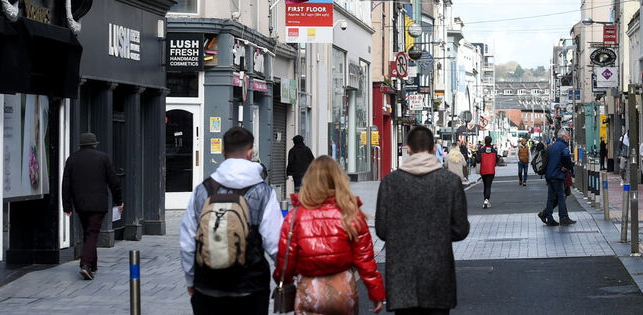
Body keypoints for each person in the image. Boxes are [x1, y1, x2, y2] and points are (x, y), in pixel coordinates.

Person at [180, 126, 281, 314]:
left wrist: (191, 279)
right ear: (250, 153)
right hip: (251, 286)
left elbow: (187, 242)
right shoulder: (263, 193)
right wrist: (284, 276)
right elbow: (275, 243)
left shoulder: (203, 190)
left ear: (223, 151)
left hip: (207, 285)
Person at [376, 126, 470, 314]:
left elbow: (382, 229)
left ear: (408, 149)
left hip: (402, 273)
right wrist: (439, 233)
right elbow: (460, 229)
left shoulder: (390, 182)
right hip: (438, 271)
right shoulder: (450, 181)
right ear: (434, 148)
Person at [275, 156, 385, 314]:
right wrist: (376, 292)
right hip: (342, 290)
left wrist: (283, 281)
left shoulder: (295, 216)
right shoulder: (350, 214)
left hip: (309, 290)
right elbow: (365, 259)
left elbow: (286, 259)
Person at [62, 132, 123, 280]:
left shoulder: (72, 159)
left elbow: (66, 184)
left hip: (80, 204)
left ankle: (93, 265)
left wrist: (67, 206)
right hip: (98, 203)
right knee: (92, 233)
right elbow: (113, 181)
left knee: (88, 233)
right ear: (95, 144)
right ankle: (85, 264)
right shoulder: (103, 158)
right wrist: (118, 201)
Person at [538, 129, 576, 226]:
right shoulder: (563, 147)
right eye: (568, 135)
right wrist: (568, 168)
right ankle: (563, 217)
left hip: (549, 175)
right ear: (563, 136)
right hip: (558, 175)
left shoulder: (552, 146)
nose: (568, 137)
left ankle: (549, 218)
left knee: (551, 197)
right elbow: (567, 159)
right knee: (561, 196)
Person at [475, 136, 498, 208]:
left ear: (485, 141)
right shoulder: (494, 150)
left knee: (485, 185)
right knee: (488, 185)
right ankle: (486, 199)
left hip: (484, 170)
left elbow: (478, 160)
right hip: (491, 170)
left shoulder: (481, 150)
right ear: (491, 141)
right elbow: (496, 160)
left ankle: (485, 199)